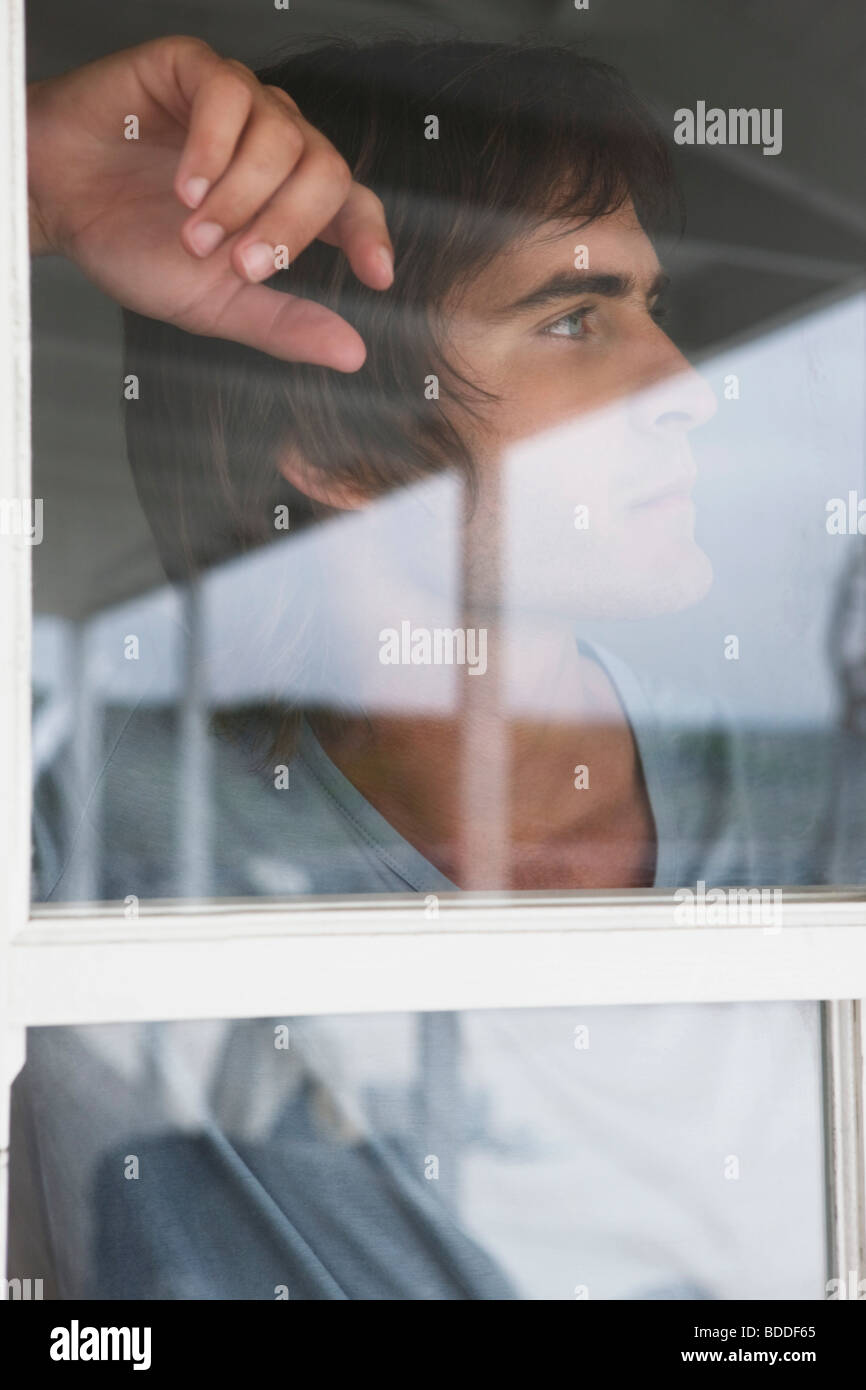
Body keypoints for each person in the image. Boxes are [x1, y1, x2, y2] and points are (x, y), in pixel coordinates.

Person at [13, 35, 826, 1300]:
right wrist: (35, 182)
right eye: (572, 317)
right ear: (332, 450)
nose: (686, 387)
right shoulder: (71, 817)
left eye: (647, 310)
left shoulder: (808, 801)